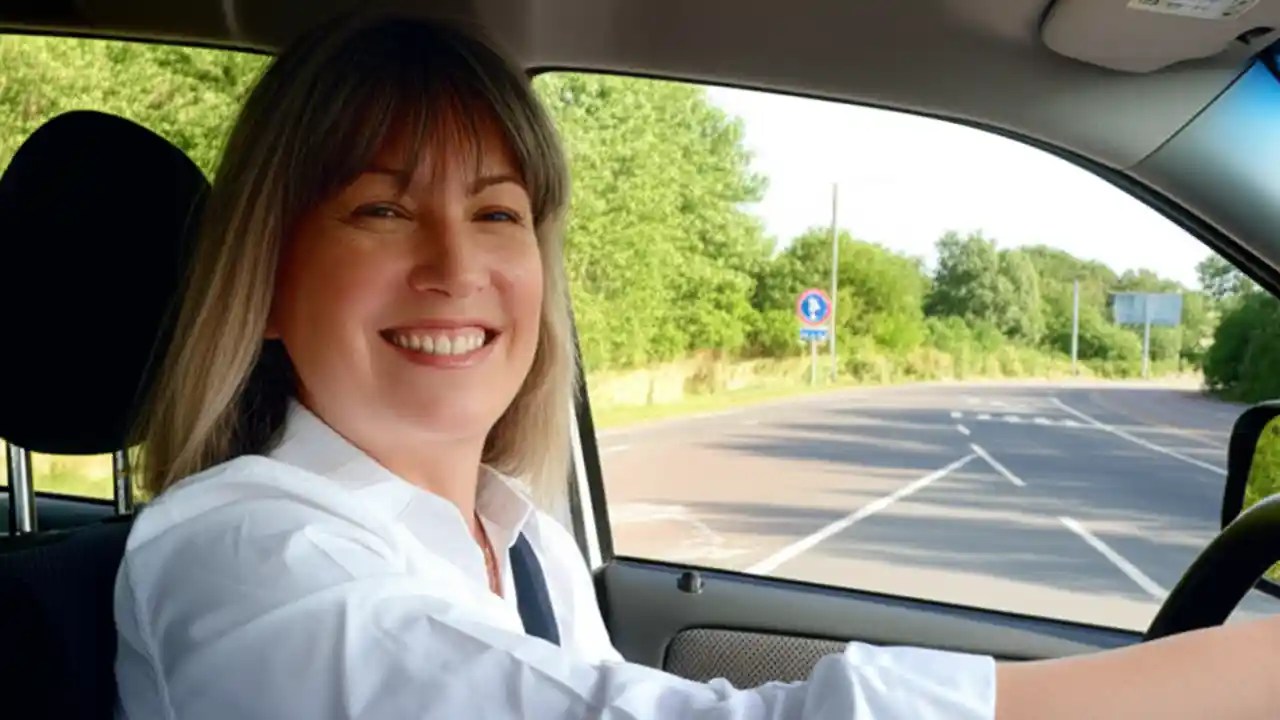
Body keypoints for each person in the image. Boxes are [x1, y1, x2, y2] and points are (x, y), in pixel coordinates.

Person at [114, 14, 1280, 720]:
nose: (452, 265)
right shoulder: (237, 551)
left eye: (498, 213)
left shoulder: (515, 534)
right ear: (266, 278)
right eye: (378, 208)